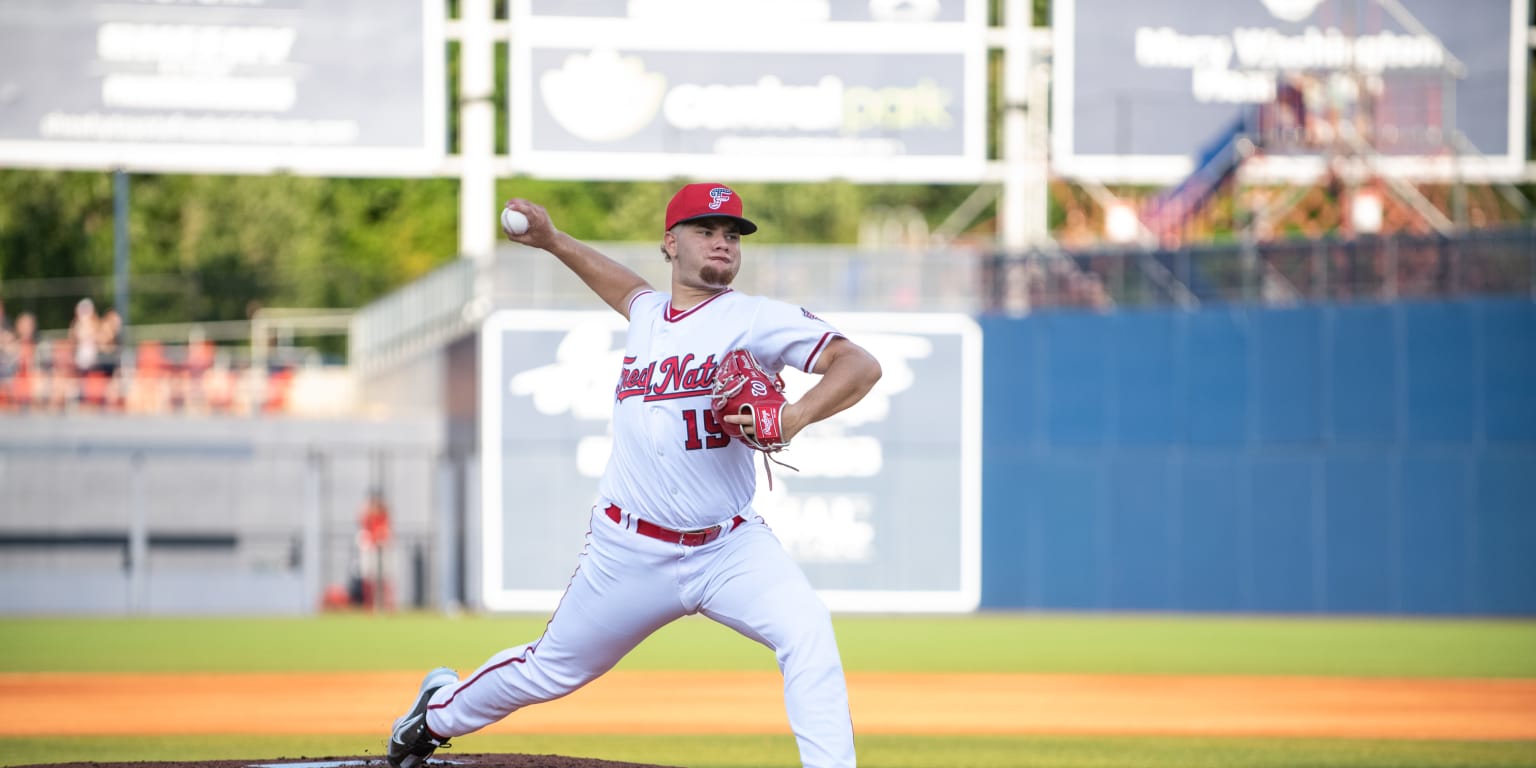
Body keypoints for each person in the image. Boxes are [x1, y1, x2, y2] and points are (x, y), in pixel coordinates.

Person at [386, 183, 882, 768]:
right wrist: (552, 240)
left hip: (729, 546)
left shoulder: (756, 318)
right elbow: (623, 286)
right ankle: (435, 716)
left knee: (807, 629)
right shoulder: (648, 314)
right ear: (670, 243)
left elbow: (859, 364)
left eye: (732, 234)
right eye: (705, 230)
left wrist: (795, 415)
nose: (722, 242)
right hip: (629, 550)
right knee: (549, 670)